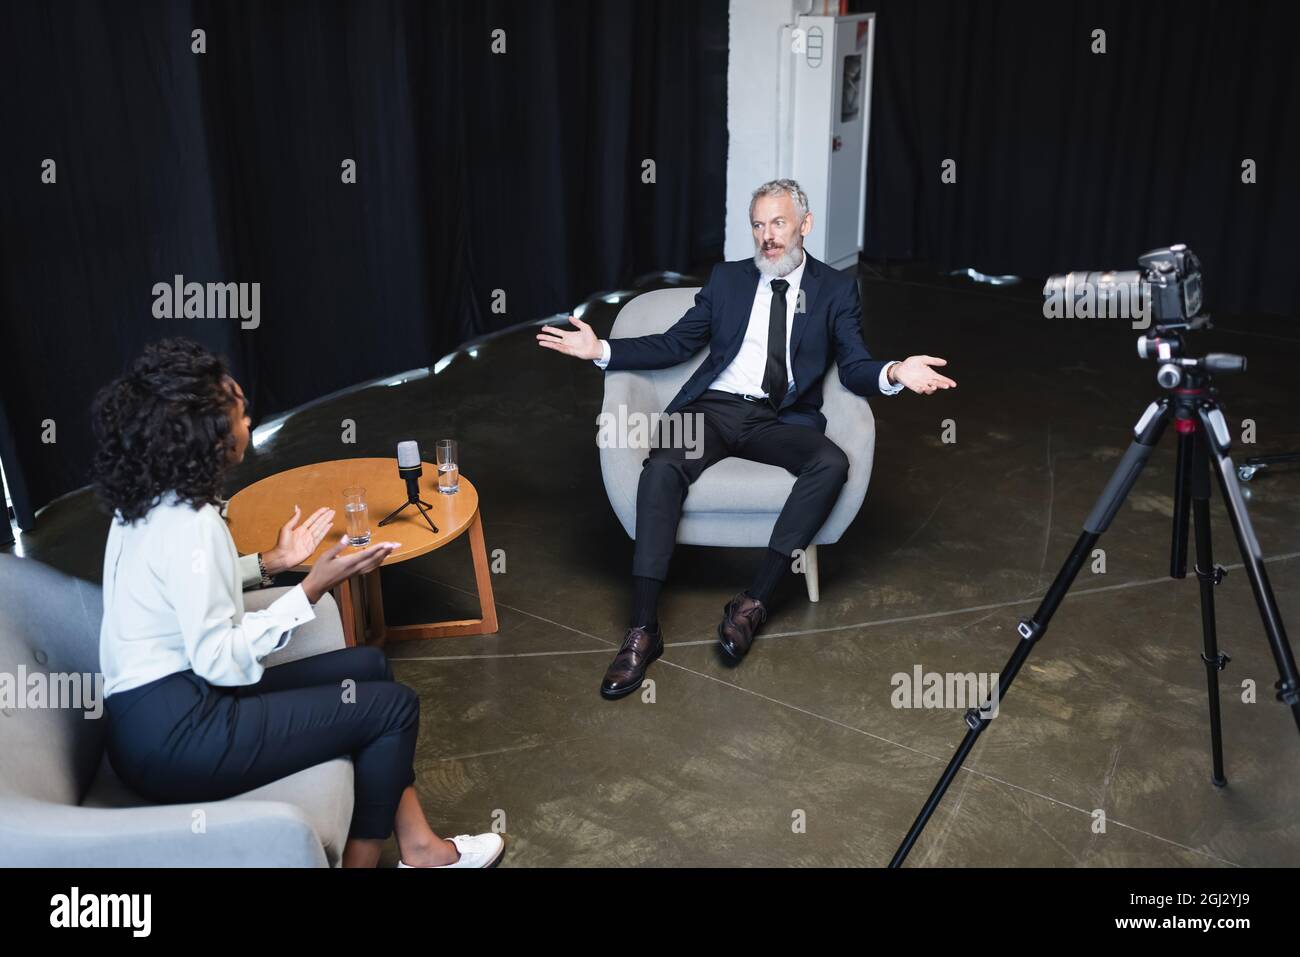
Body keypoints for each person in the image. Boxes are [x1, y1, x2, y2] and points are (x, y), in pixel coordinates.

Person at [92, 337, 503, 868]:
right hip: (178, 737)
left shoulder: (143, 503)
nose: (247, 418)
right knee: (393, 709)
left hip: (153, 716)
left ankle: (420, 847)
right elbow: (223, 661)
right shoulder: (193, 526)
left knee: (370, 667)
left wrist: (273, 561)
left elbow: (184, 589)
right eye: (238, 411)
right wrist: (312, 586)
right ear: (210, 439)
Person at [537, 179, 956, 698]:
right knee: (663, 466)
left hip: (781, 419)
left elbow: (853, 367)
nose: (767, 237)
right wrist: (602, 349)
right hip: (713, 410)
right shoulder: (729, 280)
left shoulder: (833, 289)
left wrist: (893, 371)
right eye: (758, 225)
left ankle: (754, 602)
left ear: (804, 225)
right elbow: (677, 343)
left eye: (778, 223)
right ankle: (643, 629)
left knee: (831, 463)